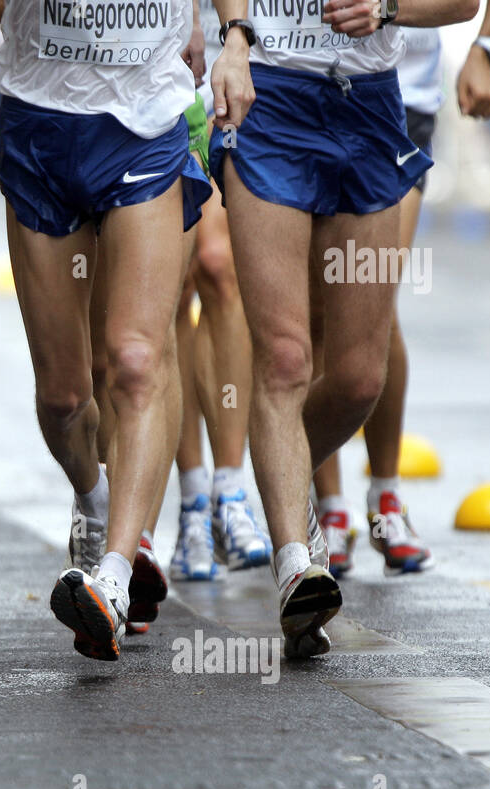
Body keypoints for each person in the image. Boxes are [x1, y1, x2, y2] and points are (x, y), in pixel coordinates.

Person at [0, 0, 212, 661]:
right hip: (40, 124)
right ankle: (95, 498)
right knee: (62, 397)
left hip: (145, 118)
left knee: (135, 361)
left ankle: (115, 570)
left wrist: (232, 34)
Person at [209, 0, 476, 656]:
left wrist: (388, 8)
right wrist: (235, 38)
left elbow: (463, 3)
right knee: (286, 358)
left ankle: (280, 475)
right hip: (271, 98)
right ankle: (297, 562)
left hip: (371, 109)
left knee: (360, 378)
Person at [313, 0, 490, 578]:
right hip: (308, 91)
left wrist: (485, 49)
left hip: (403, 101)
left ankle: (385, 496)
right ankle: (326, 507)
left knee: (369, 292)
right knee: (318, 312)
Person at [169, 0, 271, 584]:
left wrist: (237, 37)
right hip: (156, 64)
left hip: (234, 61)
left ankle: (230, 490)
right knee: (175, 285)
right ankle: (192, 503)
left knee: (218, 265)